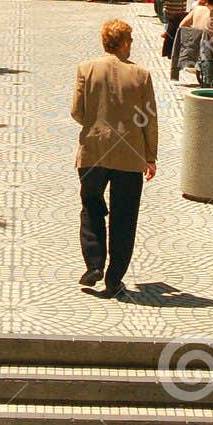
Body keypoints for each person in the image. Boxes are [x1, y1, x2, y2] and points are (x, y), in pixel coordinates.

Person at [71, 19, 158, 299]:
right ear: (122, 43)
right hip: (129, 155)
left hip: (93, 151)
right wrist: (150, 155)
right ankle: (114, 277)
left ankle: (94, 264)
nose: (131, 44)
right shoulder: (141, 75)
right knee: (124, 217)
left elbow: (76, 112)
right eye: (130, 40)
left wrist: (96, 122)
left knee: (91, 206)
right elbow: (149, 119)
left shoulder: (86, 69)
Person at [174, 0, 213, 82]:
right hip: (209, 51)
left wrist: (195, 33)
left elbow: (182, 25)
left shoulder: (197, 9)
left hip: (195, 49)